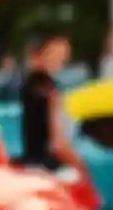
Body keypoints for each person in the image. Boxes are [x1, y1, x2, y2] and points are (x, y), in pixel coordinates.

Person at [19, 31, 83, 175]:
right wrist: (80, 164)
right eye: (57, 54)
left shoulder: (28, 86)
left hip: (31, 166)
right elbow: (58, 144)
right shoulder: (49, 91)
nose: (62, 59)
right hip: (49, 170)